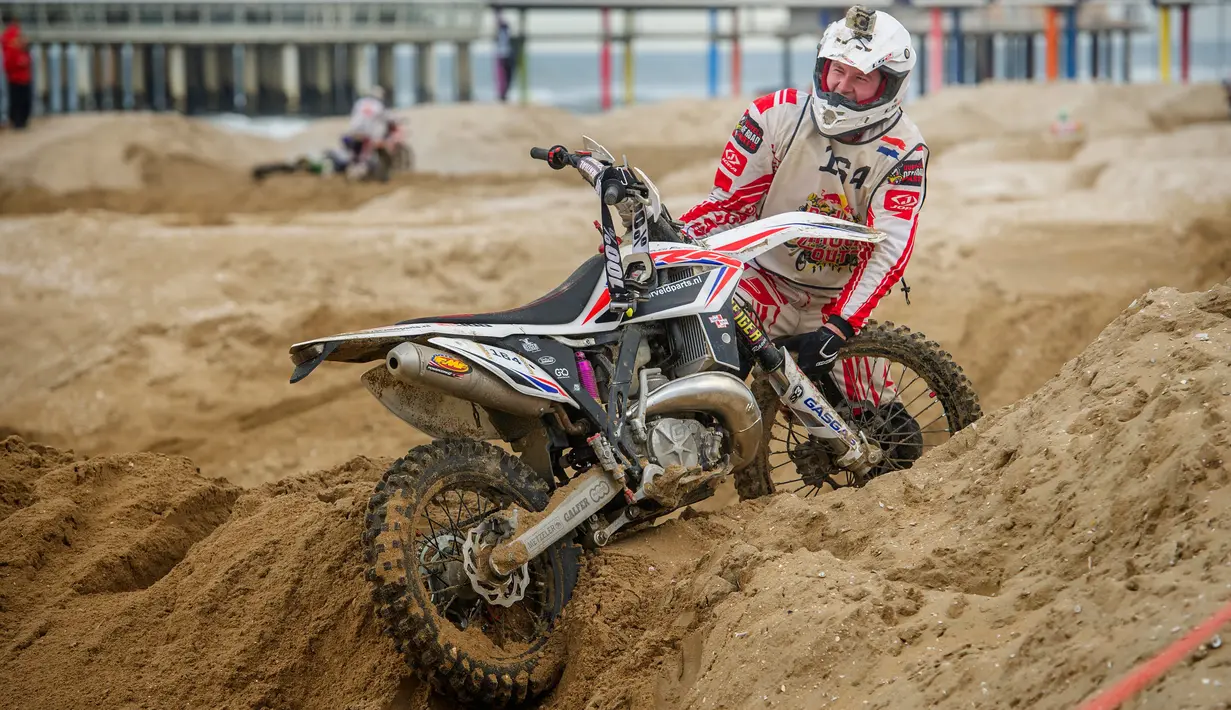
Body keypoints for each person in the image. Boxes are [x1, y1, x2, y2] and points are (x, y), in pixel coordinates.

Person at [681, 5, 925, 401]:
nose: (843, 86)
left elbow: (890, 246)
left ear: (888, 85)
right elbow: (729, 206)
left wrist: (841, 326)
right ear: (821, 66)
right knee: (703, 386)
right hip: (759, 282)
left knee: (895, 435)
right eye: (837, 70)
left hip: (835, 296)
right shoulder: (773, 116)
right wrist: (672, 240)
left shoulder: (904, 150)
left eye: (861, 77)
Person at [345, 85, 390, 169]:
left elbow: (353, 114)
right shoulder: (378, 105)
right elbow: (386, 117)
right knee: (372, 145)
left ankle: (356, 162)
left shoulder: (360, 102)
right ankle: (366, 165)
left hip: (354, 129)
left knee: (356, 149)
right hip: (367, 132)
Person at [2, 13, 32, 130]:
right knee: (18, 101)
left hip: (21, 77)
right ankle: (17, 122)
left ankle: (19, 121)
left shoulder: (12, 38)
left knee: (21, 101)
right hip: (16, 77)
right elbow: (10, 62)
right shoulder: (10, 39)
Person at [495, 8, 515, 103]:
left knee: (505, 76)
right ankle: (503, 94)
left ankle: (504, 94)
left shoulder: (504, 30)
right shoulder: (502, 31)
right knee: (504, 76)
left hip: (505, 55)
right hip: (503, 55)